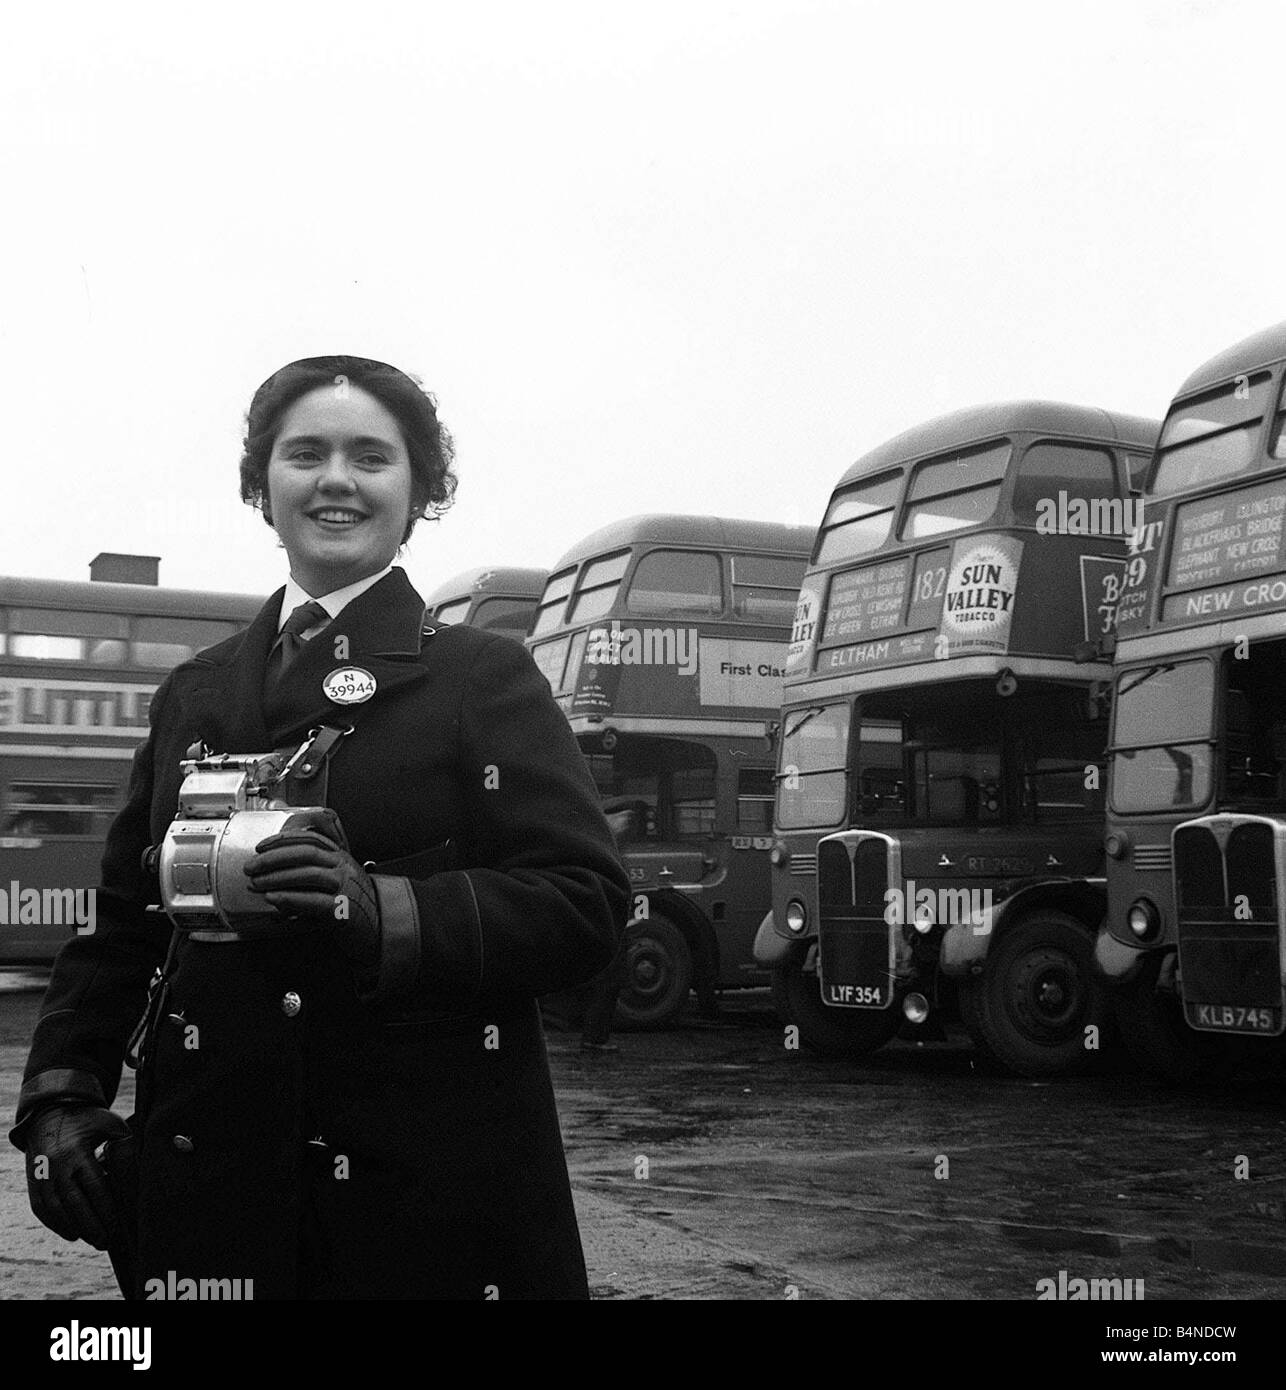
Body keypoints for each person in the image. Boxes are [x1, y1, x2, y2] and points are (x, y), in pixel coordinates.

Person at [10, 355, 630, 1300]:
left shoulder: (480, 678)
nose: (336, 478)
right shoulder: (195, 691)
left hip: (415, 1208)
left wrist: (384, 909)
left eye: (371, 457)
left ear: (419, 491)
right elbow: (120, 929)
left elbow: (587, 906)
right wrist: (62, 1099)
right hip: (207, 1185)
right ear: (263, 486)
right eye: (306, 453)